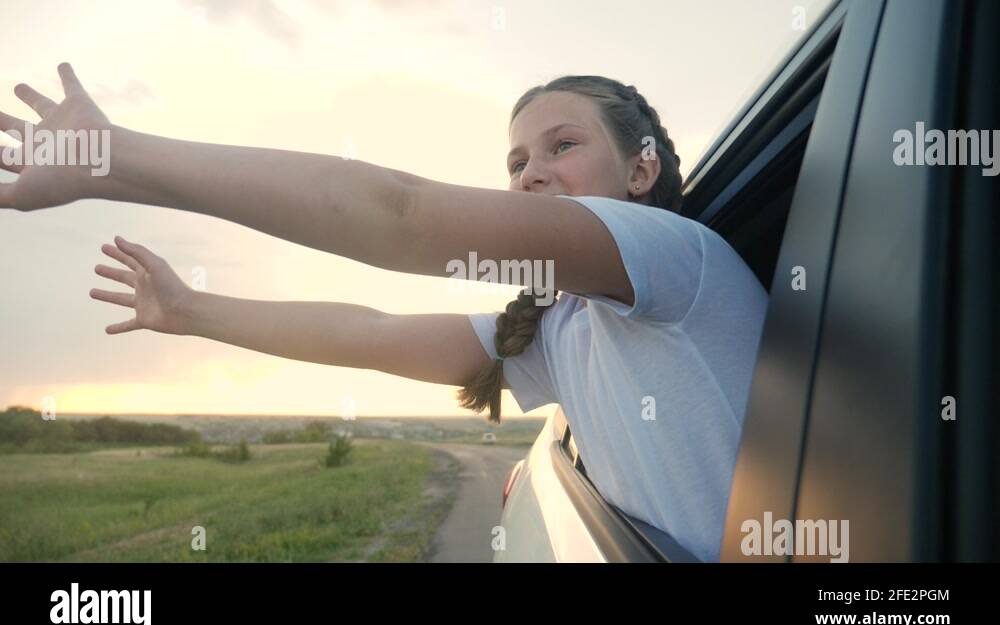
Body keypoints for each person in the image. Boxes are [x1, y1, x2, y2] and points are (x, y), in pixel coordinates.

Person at [0, 65, 767, 562]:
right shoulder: (565, 330)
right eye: (517, 162)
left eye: (562, 145)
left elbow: (399, 215)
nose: (533, 173)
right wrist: (192, 308)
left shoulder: (675, 253)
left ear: (642, 168)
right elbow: (370, 334)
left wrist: (113, 154)